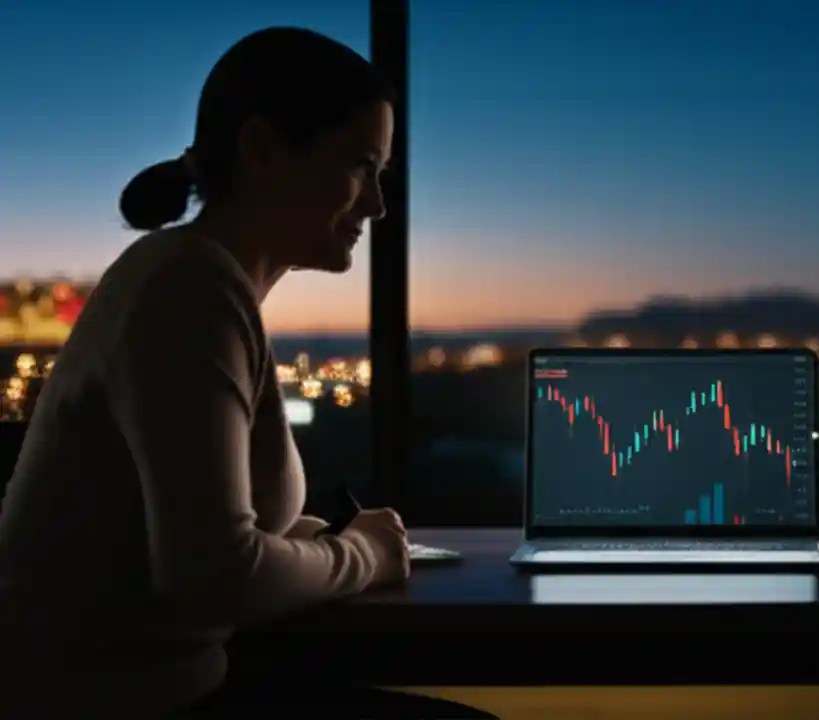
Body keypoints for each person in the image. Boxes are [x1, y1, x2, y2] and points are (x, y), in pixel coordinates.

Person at [0, 27, 495, 718]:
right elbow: (213, 578)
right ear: (262, 150)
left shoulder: (200, 282)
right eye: (360, 166)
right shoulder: (188, 291)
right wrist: (362, 557)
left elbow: (199, 538)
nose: (378, 206)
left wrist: (316, 543)